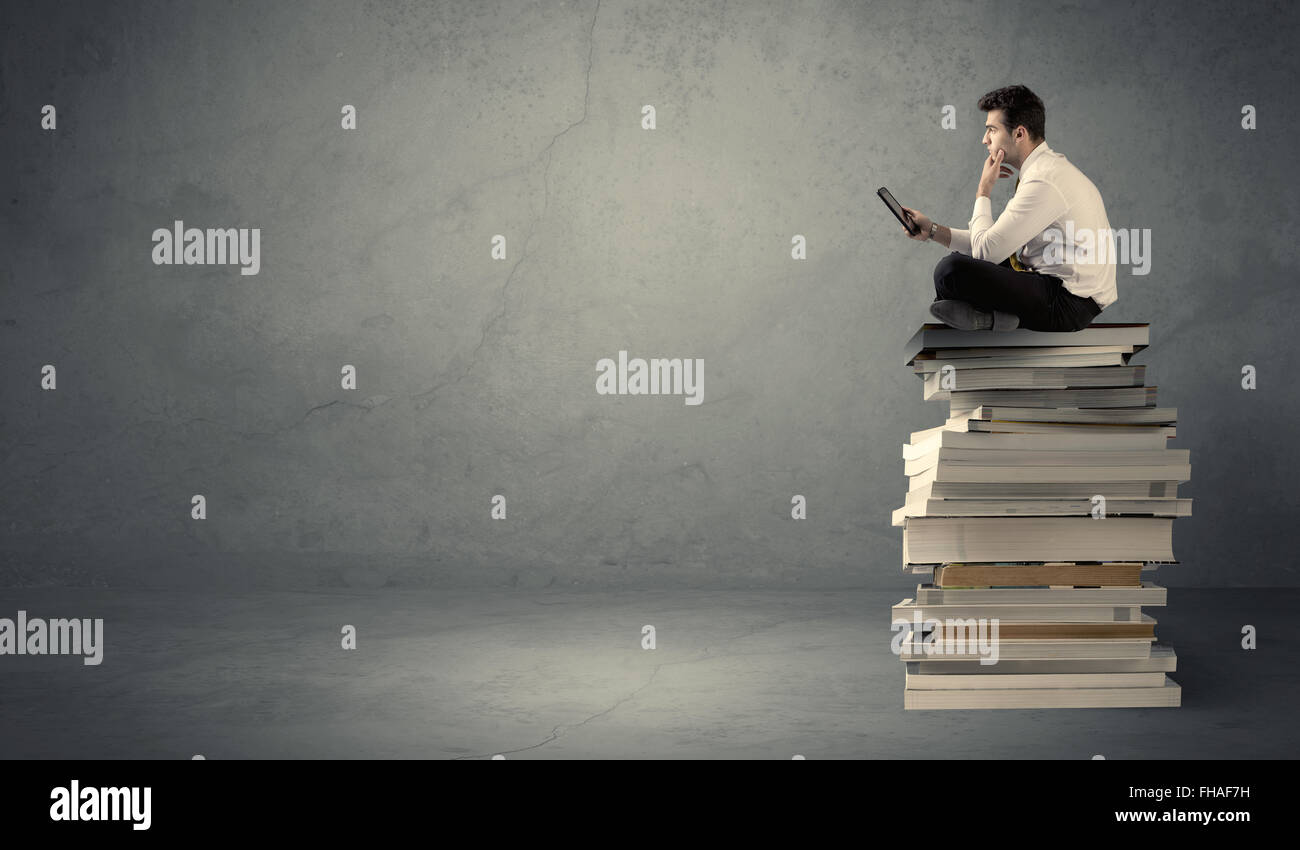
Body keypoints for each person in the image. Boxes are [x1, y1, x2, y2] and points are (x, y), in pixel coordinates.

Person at [900, 85, 1117, 332]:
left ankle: (990, 318)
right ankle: (994, 318)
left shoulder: (1044, 180)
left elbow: (986, 252)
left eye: (992, 130)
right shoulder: (1043, 170)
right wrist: (931, 230)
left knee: (949, 272)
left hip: (1068, 303)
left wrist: (983, 190)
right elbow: (994, 243)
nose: (985, 139)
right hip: (1060, 291)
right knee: (957, 265)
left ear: (1019, 134)